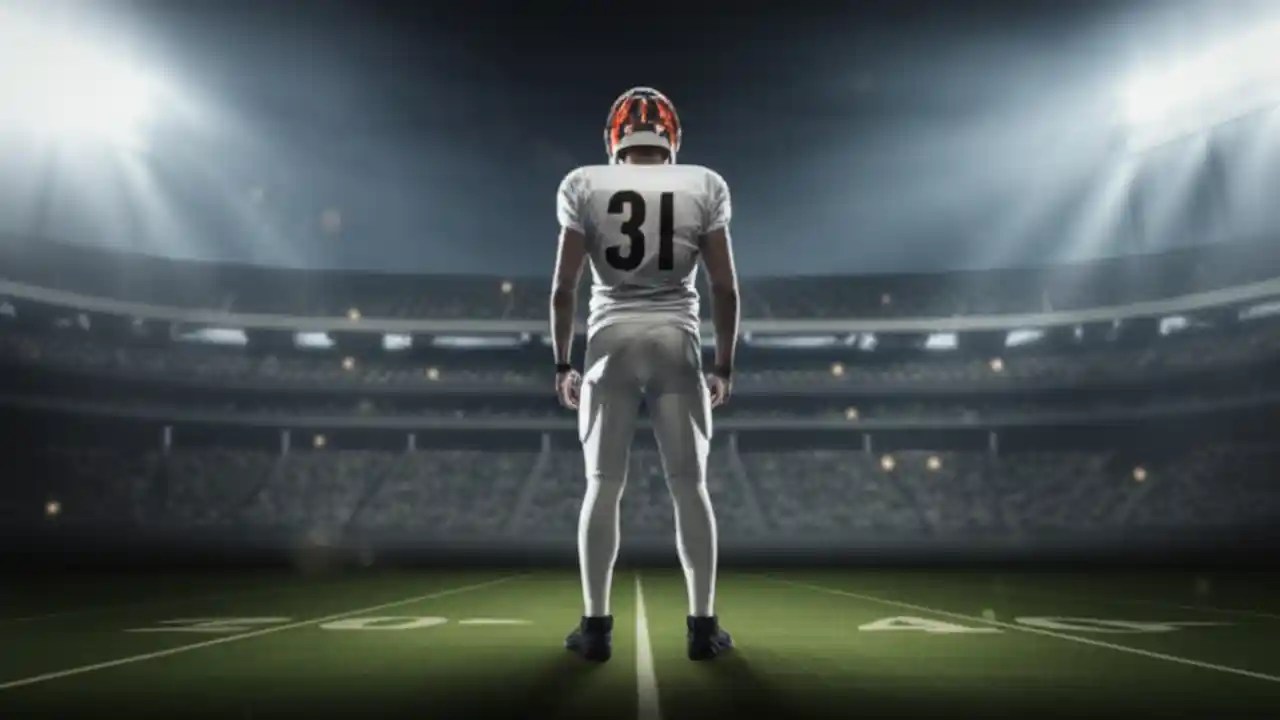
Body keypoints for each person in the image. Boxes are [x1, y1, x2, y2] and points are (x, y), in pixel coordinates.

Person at [548, 86, 739, 662]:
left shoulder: (583, 182)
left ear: (615, 137)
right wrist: (724, 364)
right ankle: (703, 629)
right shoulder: (704, 183)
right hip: (676, 340)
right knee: (690, 488)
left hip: (609, 341)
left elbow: (564, 288)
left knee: (603, 486)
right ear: (671, 136)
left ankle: (596, 629)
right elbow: (725, 288)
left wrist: (562, 361)